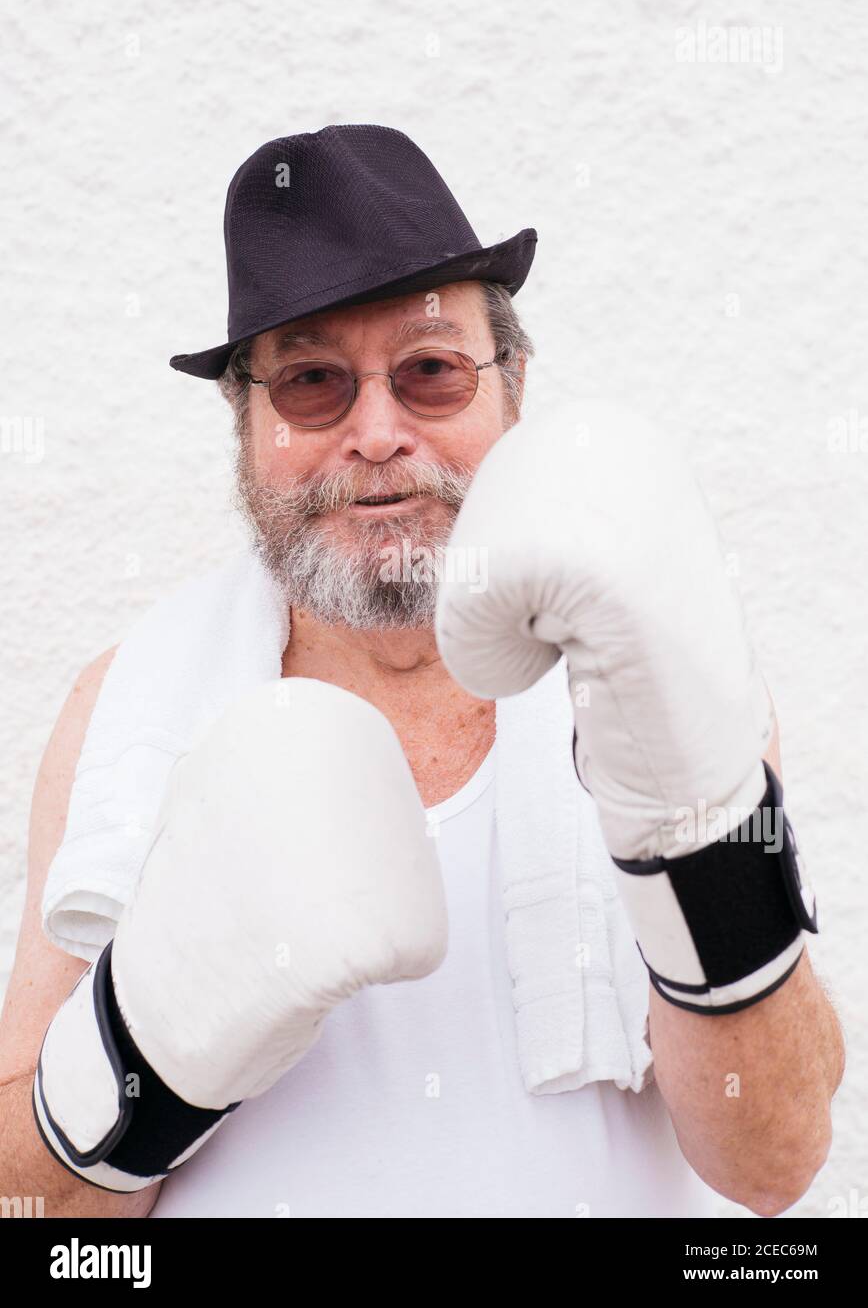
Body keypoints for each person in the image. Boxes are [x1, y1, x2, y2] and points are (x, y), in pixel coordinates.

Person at [0, 126, 844, 1219]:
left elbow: (772, 1163)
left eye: (430, 371)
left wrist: (701, 845)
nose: (378, 432)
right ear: (245, 422)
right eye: (311, 383)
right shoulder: (126, 710)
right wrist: (139, 1058)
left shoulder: (642, 657)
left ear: (512, 386)